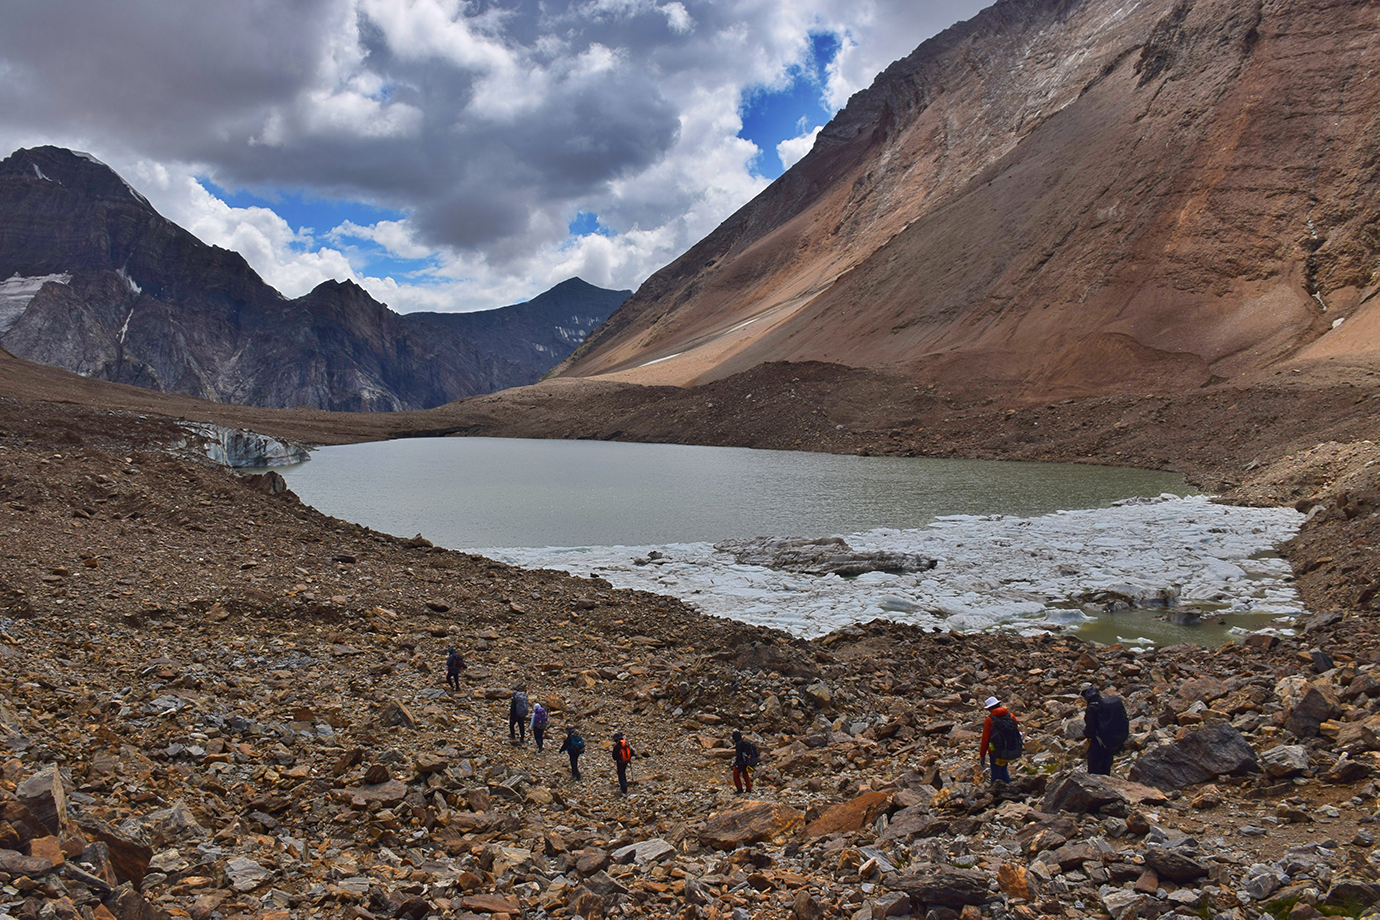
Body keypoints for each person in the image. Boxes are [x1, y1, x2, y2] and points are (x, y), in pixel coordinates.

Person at [1082, 685, 1130, 775]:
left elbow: (1090, 729)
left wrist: (1086, 734)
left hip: (1100, 742)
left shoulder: (1092, 708)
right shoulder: (1109, 703)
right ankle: (1106, 782)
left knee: (1094, 767)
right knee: (1106, 764)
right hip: (1112, 741)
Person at [978, 696, 1020, 784]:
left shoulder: (990, 719)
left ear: (990, 708)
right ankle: (1008, 787)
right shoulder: (1011, 716)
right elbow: (1016, 732)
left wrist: (982, 755)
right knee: (1003, 769)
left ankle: (996, 792)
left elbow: (985, 739)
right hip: (1009, 748)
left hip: (995, 751)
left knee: (996, 772)